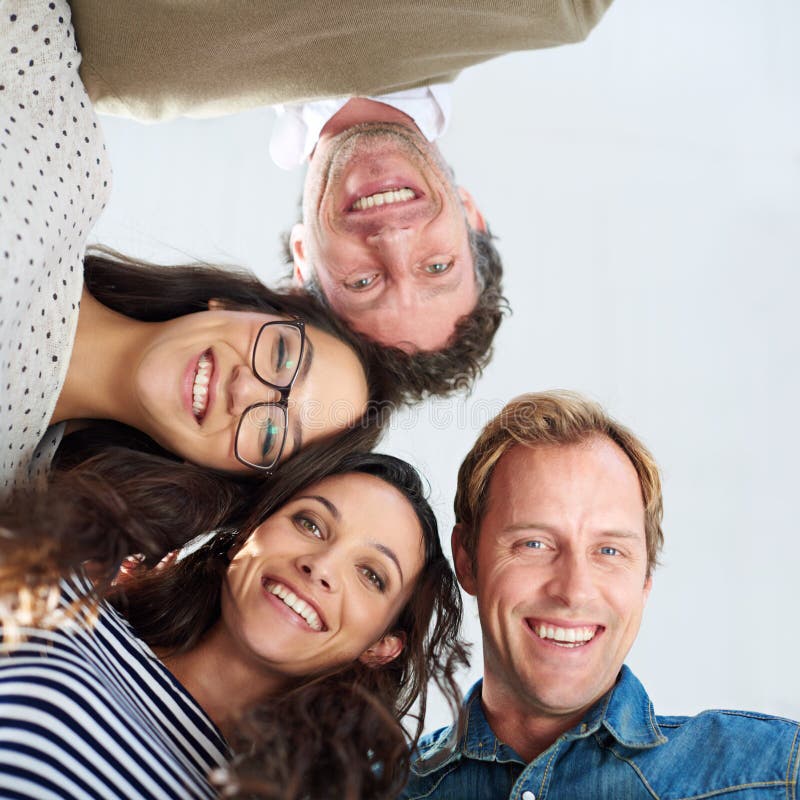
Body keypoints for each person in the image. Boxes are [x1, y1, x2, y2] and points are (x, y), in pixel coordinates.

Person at [66, 0, 614, 394]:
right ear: (469, 213)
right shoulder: (560, 9)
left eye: (364, 282)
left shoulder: (132, 64)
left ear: (304, 262)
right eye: (437, 264)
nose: (395, 239)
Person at [0, 2, 392, 503]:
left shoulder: (15, 509)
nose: (245, 391)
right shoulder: (70, 168)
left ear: (225, 474)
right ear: (238, 305)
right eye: (279, 354)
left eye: (271, 435)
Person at [0, 450, 468, 800]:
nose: (321, 565)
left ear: (382, 645)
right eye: (310, 523)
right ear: (247, 532)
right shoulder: (61, 590)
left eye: (371, 575)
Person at [403, 391, 800, 799]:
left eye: (609, 551)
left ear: (645, 579)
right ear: (467, 559)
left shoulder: (776, 774)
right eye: (534, 544)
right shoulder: (375, 789)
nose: (574, 590)